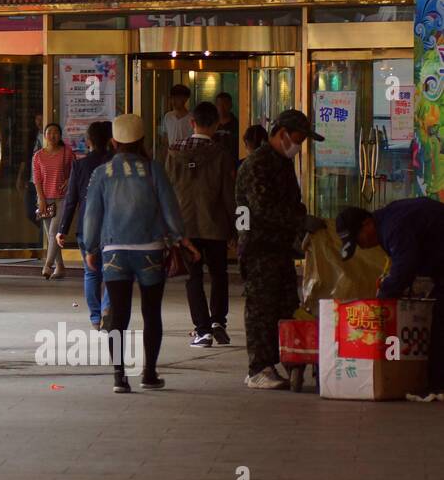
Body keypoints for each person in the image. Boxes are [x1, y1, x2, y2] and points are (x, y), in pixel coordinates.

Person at [83, 114, 197, 392]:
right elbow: (171, 209)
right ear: (142, 141)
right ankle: (149, 374)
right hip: (150, 249)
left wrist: (90, 247)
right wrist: (181, 238)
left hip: (114, 251)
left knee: (118, 315)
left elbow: (92, 216)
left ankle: (119, 376)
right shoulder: (154, 169)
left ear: (114, 142)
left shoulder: (102, 173)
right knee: (151, 312)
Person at [235, 109, 323, 390]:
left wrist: (301, 228)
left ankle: (289, 358)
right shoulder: (257, 164)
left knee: (287, 305)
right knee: (261, 308)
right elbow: (262, 208)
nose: (299, 146)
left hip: (280, 247)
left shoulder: (282, 163)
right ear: (281, 133)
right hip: (258, 247)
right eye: (297, 139)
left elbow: (291, 202)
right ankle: (259, 367)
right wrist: (299, 221)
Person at [335, 201, 444, 400]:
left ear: (367, 223)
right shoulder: (389, 223)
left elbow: (405, 266)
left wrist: (382, 299)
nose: (361, 246)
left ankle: (438, 385)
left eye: (358, 239)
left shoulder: (393, 227)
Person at [167, 101, 237, 348]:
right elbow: (229, 195)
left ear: (191, 122)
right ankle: (218, 320)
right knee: (219, 274)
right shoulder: (221, 154)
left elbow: (168, 193)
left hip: (186, 227)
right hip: (216, 225)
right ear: (217, 124)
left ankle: (202, 330)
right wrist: (233, 228)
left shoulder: (174, 153)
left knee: (193, 278)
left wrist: (171, 227)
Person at [57, 119, 112, 329]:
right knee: (111, 271)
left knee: (91, 272)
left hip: (85, 226)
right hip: (110, 225)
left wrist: (63, 229)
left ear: (88, 141)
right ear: (110, 140)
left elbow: (71, 200)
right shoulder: (115, 163)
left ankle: (95, 318)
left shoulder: (80, 165)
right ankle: (107, 308)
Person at [32, 122, 75, 279]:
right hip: (45, 199)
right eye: (49, 132)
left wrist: (69, 180)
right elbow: (36, 179)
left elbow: (75, 171)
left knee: (53, 233)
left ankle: (47, 265)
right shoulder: (38, 156)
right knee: (51, 235)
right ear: (44, 135)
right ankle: (60, 267)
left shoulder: (67, 152)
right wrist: (41, 199)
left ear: (60, 135)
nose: (53, 135)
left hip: (62, 198)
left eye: (56, 132)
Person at [18, 111, 44, 225]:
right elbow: (26, 157)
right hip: (32, 180)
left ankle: (43, 239)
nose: (39, 122)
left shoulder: (51, 137)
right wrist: (20, 176)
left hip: (45, 182)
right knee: (30, 212)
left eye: (41, 119)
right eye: (37, 119)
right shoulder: (33, 136)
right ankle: (44, 234)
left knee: (44, 213)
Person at [161, 84, 193, 160]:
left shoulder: (192, 118)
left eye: (177, 98)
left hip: (186, 158)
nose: (173, 101)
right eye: (172, 98)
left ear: (185, 99)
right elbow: (165, 139)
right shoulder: (168, 116)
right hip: (171, 157)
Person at [215, 92, 240, 163]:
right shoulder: (211, 124)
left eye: (225, 104)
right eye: (219, 104)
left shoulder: (237, 125)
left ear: (230, 105)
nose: (222, 108)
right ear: (216, 106)